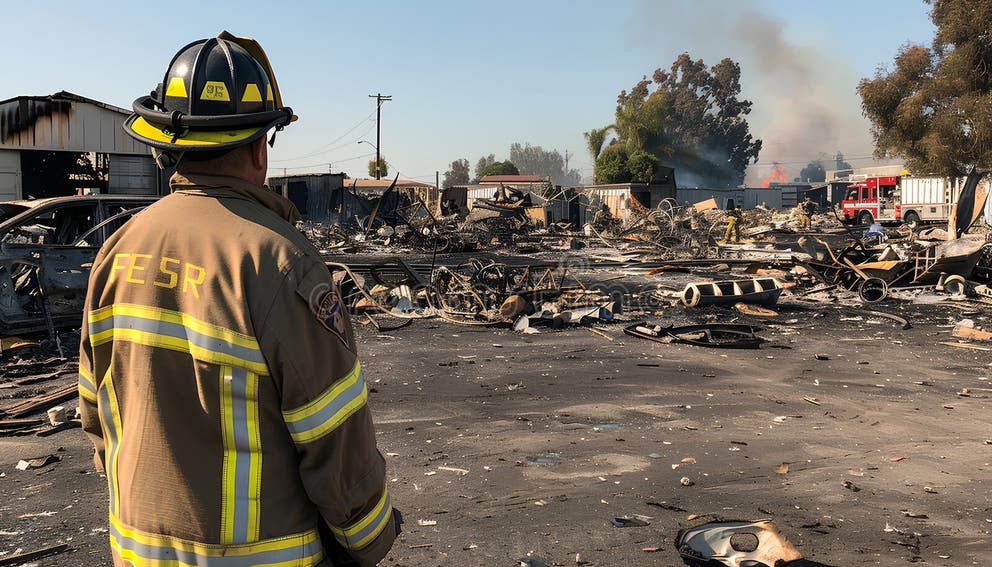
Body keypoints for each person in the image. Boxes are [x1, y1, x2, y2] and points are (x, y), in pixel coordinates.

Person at [78, 32, 397, 566]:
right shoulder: (279, 263)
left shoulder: (117, 251)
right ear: (257, 145)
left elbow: (97, 411)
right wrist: (371, 538)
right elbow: (334, 436)